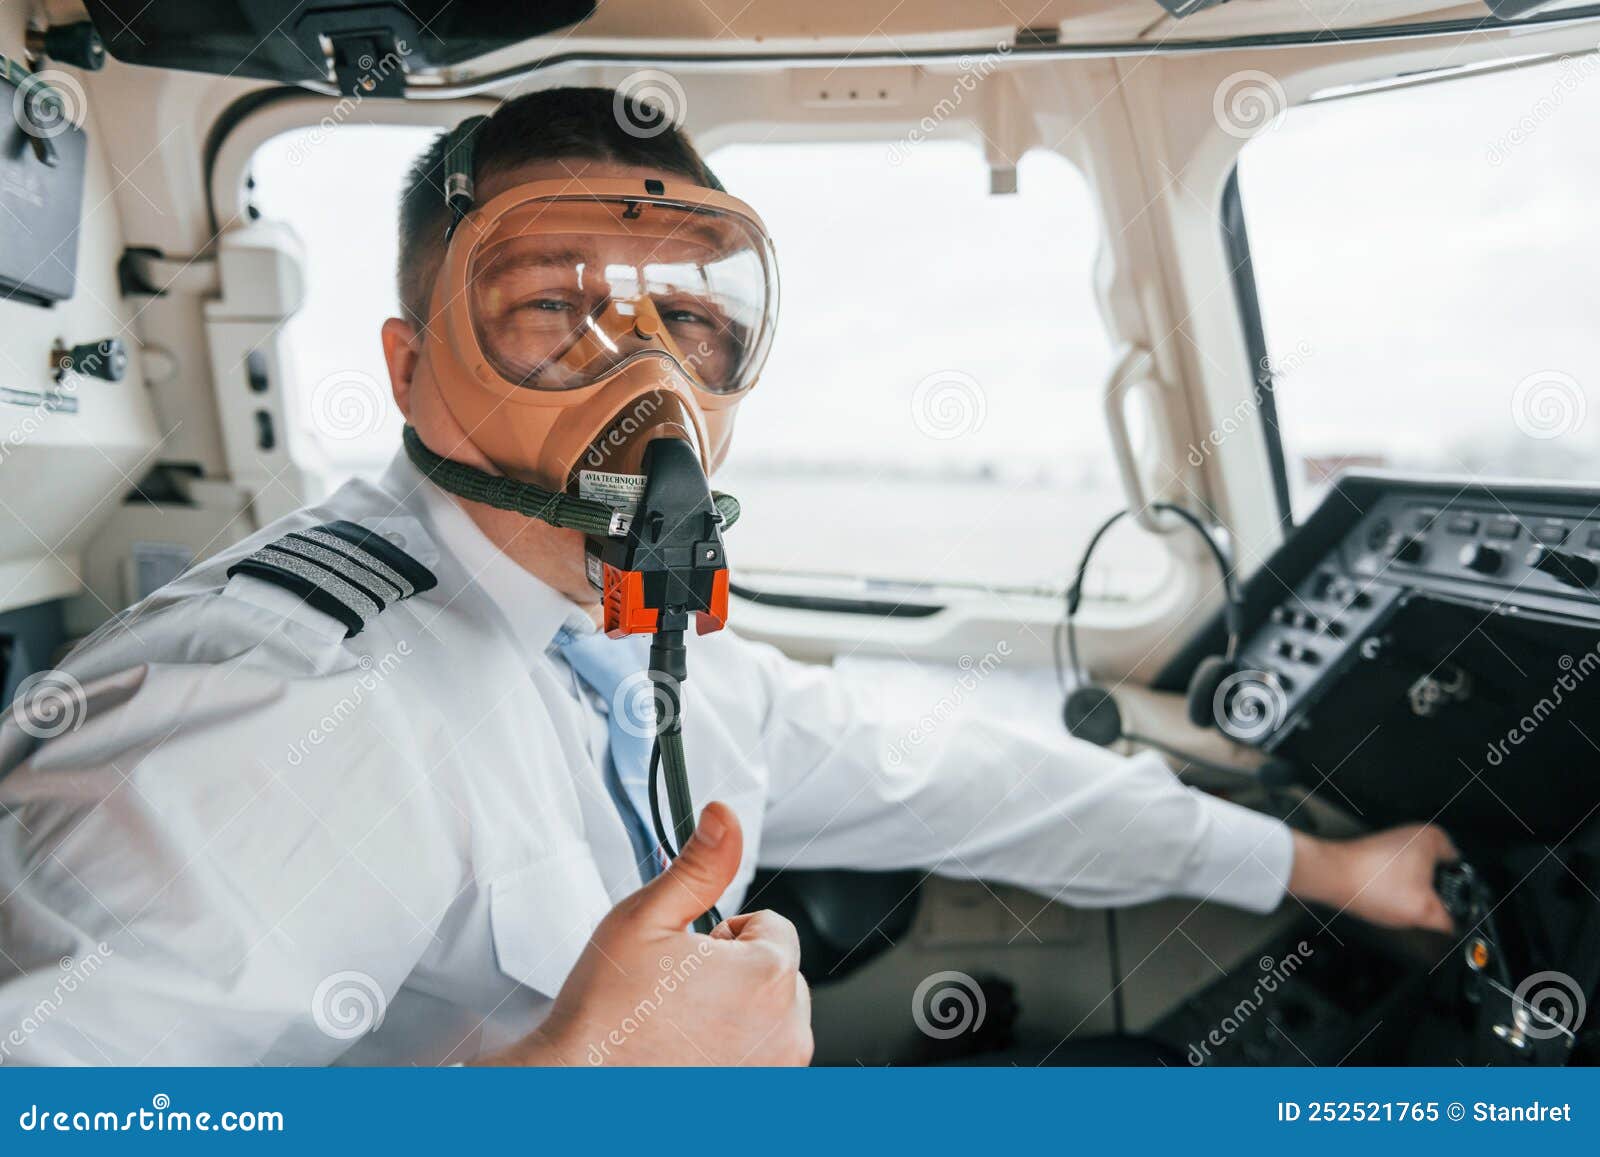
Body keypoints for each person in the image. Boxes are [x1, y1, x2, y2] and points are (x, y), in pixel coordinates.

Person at [0, 87, 1456, 1067]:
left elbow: (957, 777)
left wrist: (1321, 866)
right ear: (407, 365)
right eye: (552, 309)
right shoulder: (291, 710)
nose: (647, 377)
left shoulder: (633, 643)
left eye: (690, 320)